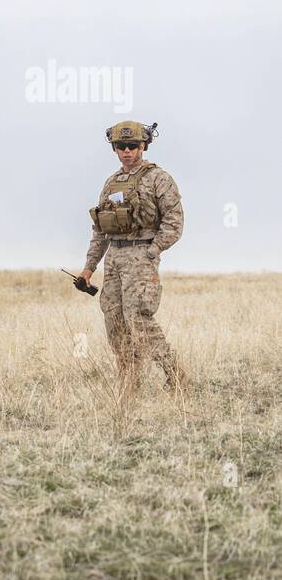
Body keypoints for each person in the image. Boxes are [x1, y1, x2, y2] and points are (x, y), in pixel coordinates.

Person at [78, 122, 187, 392]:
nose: (127, 151)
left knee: (138, 318)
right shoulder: (111, 183)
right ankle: (129, 380)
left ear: (144, 146)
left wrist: (152, 251)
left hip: (141, 254)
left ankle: (175, 375)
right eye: (121, 146)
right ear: (114, 148)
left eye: (133, 146)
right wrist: (89, 268)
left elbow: (174, 223)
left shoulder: (159, 178)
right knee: (114, 319)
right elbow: (100, 230)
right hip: (114, 258)